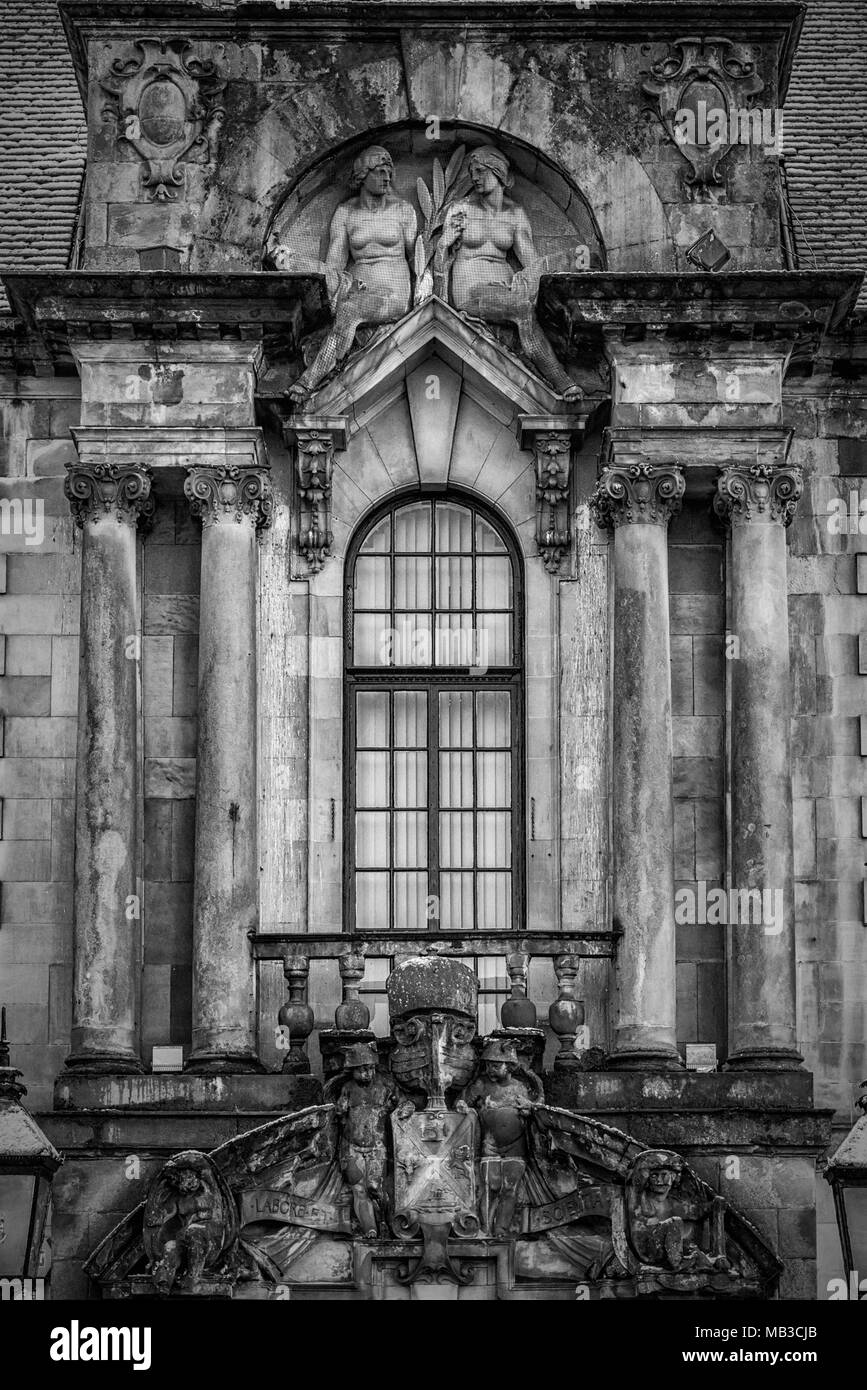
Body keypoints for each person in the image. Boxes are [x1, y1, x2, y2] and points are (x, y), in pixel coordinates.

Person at [434, 146, 583, 401]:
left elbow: (531, 262)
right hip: (471, 290)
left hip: (503, 287)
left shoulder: (515, 214)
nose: (475, 178)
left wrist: (564, 265)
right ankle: (560, 380)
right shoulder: (462, 209)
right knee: (522, 308)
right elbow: (442, 259)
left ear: (499, 172)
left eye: (480, 172)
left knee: (535, 301)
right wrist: (443, 243)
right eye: (472, 173)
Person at [276, 146, 417, 401]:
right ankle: (287, 259)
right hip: (357, 289)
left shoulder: (403, 210)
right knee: (339, 295)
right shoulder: (346, 212)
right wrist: (337, 287)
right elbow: (334, 264)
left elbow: (415, 260)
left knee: (350, 311)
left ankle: (309, 381)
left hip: (393, 294)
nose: (387, 178)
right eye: (380, 171)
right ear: (362, 175)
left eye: (389, 172)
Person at [459, 1036, 541, 1235]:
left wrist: (529, 1109)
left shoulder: (521, 1087)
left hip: (515, 1146)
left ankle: (501, 1228)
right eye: (488, 1066)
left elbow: (535, 1109)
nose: (490, 1070)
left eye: (496, 1066)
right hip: (490, 1144)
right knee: (490, 1187)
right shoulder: (481, 1085)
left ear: (510, 1065)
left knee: (509, 1188)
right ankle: (485, 1227)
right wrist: (462, 1106)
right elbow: (463, 1100)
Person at [334, 1041, 398, 1237]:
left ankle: (388, 1221)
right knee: (359, 1190)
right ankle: (370, 1228)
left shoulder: (384, 1087)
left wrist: (404, 1107)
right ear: (352, 1069)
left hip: (377, 1147)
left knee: (375, 1187)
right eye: (362, 1070)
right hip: (352, 1148)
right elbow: (339, 1112)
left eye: (370, 1069)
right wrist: (341, 1110)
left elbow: (400, 1107)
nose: (367, 1074)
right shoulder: (348, 1088)